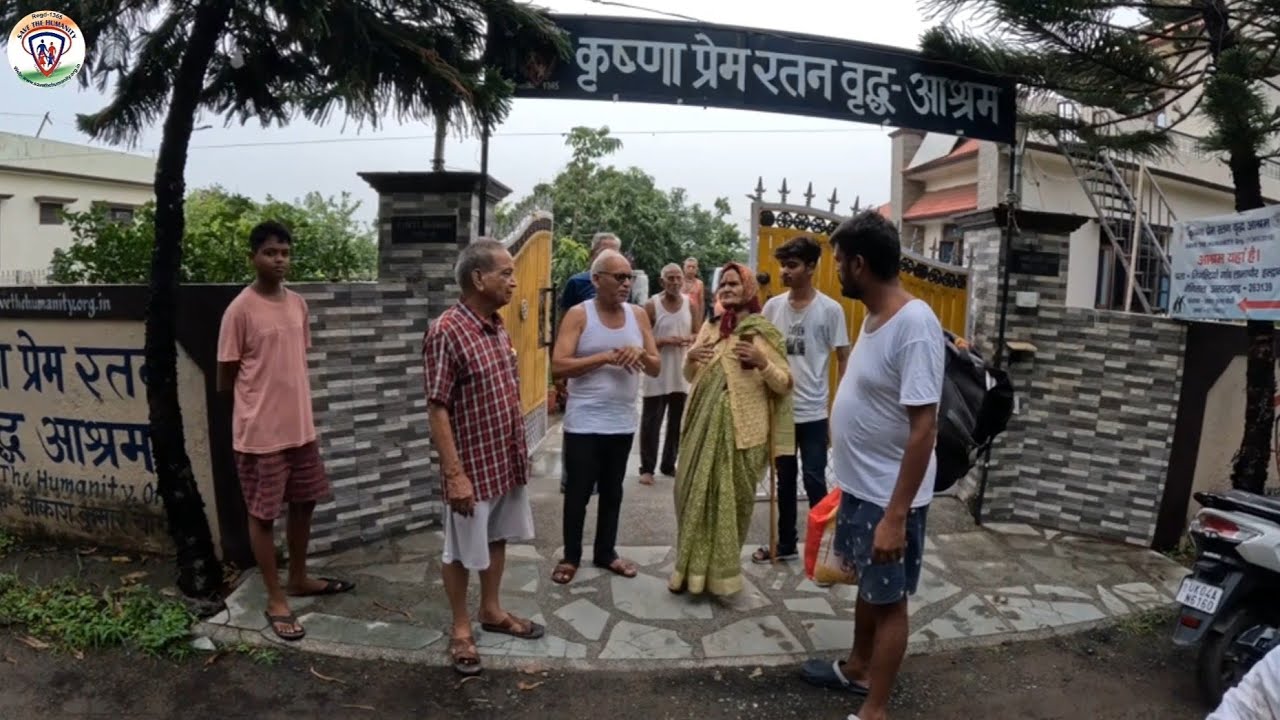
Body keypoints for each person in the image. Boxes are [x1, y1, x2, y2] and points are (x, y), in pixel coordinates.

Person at [800, 211, 945, 720]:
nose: (834, 270)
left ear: (859, 264)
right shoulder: (875, 316)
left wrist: (896, 515)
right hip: (864, 489)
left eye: (838, 261)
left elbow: (924, 427)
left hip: (890, 497)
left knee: (890, 602)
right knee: (868, 586)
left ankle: (875, 710)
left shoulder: (915, 325)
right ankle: (858, 668)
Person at [216, 220, 355, 643]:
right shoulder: (239, 310)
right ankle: (276, 598)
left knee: (305, 501)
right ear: (253, 257)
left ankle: (298, 578)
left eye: (284, 253)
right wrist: (254, 412)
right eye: (270, 252)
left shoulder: (297, 304)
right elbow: (227, 376)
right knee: (262, 515)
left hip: (300, 430)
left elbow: (294, 363)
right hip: (260, 434)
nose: (279, 260)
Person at [423, 239, 544, 677]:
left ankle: (491, 611)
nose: (514, 281)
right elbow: (437, 406)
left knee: (496, 537)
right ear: (479, 278)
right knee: (459, 550)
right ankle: (460, 629)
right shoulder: (446, 330)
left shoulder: (495, 325)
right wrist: (454, 475)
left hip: (503, 460)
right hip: (470, 467)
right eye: (507, 273)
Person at [668, 262, 793, 597]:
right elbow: (690, 376)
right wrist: (691, 355)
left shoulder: (762, 332)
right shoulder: (710, 327)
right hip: (700, 426)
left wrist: (762, 362)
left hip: (745, 432)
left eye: (734, 283)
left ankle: (720, 578)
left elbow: (784, 384)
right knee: (688, 494)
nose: (726, 288)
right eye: (722, 283)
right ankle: (689, 574)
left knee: (731, 505)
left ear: (748, 288)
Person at [550, 250, 659, 584]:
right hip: (584, 421)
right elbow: (558, 365)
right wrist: (605, 357)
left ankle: (605, 552)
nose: (626, 283)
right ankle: (570, 556)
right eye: (619, 277)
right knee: (579, 492)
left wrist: (640, 353)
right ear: (597, 280)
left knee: (613, 491)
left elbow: (655, 366)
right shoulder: (579, 315)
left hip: (622, 421)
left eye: (629, 277)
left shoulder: (638, 315)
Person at [753, 236, 850, 565]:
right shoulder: (772, 308)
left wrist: (840, 406)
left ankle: (824, 547)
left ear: (811, 267)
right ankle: (787, 544)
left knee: (813, 478)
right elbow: (759, 350)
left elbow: (842, 358)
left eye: (792, 265)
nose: (784, 272)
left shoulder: (830, 310)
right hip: (780, 410)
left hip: (813, 412)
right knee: (784, 480)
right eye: (783, 265)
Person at [557, 232, 623, 493]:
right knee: (576, 425)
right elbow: (564, 323)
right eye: (605, 252)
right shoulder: (577, 282)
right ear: (593, 254)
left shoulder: (621, 286)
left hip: (614, 375)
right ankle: (570, 478)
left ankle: (601, 479)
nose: (610, 257)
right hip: (580, 367)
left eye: (615, 253)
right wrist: (561, 372)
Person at [639, 263, 702, 486]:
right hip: (657, 373)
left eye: (678, 278)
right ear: (662, 281)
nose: (675, 282)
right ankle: (647, 468)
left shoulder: (690, 304)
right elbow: (642, 341)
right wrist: (665, 341)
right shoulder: (651, 306)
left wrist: (692, 339)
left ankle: (668, 464)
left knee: (676, 422)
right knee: (651, 422)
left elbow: (698, 332)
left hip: (681, 372)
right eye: (671, 278)